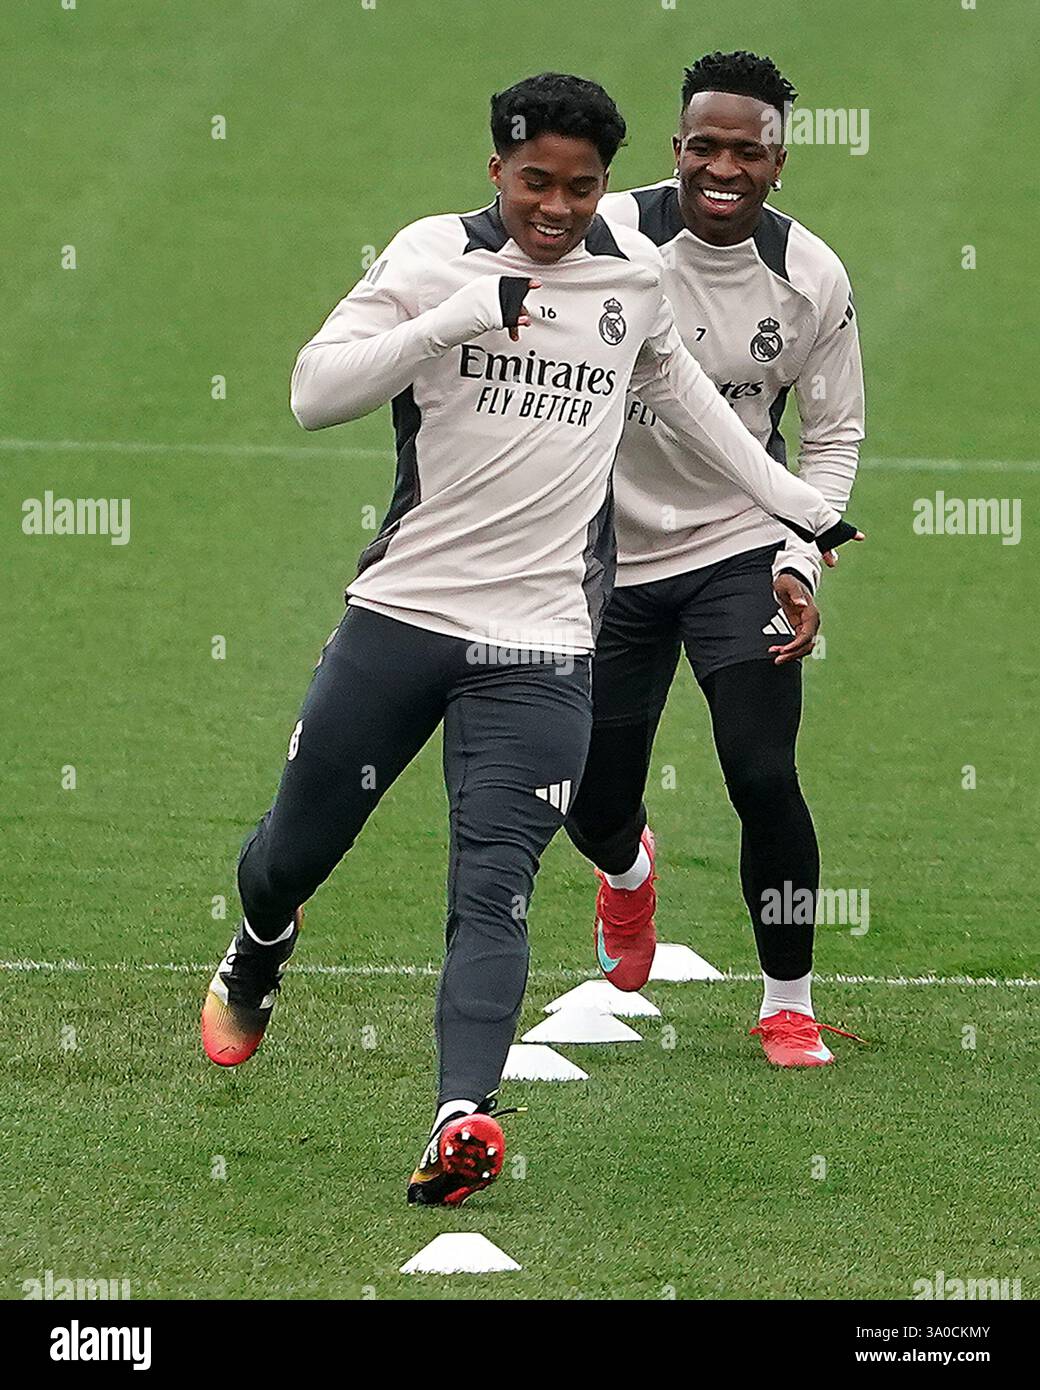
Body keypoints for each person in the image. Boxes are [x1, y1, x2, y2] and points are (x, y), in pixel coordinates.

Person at [200, 71, 860, 1206]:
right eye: (533, 184)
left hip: (543, 638)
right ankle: (261, 939)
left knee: (494, 881)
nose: (555, 211)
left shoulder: (627, 273)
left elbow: (692, 402)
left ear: (608, 185)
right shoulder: (425, 258)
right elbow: (313, 393)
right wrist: (459, 313)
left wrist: (801, 511)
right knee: (294, 850)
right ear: (494, 169)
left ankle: (459, 1116)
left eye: (580, 187)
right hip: (402, 614)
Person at [565, 51, 866, 1067]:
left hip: (739, 547)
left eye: (747, 150)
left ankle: (787, 1000)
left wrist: (800, 555)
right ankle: (624, 872)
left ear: (778, 161)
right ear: (674, 150)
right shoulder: (606, 239)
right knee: (592, 799)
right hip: (604, 556)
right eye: (704, 146)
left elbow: (828, 439)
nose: (722, 168)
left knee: (760, 770)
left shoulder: (809, 277)